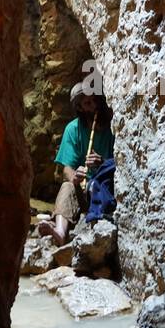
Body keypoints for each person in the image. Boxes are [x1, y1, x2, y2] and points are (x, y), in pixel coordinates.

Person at [37, 81, 114, 246]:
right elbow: (67, 169)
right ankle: (59, 232)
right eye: (87, 103)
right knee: (67, 186)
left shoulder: (112, 127)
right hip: (84, 191)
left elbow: (122, 164)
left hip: (104, 190)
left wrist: (103, 163)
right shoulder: (73, 129)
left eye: (95, 100)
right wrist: (76, 177)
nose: (94, 106)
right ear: (80, 108)